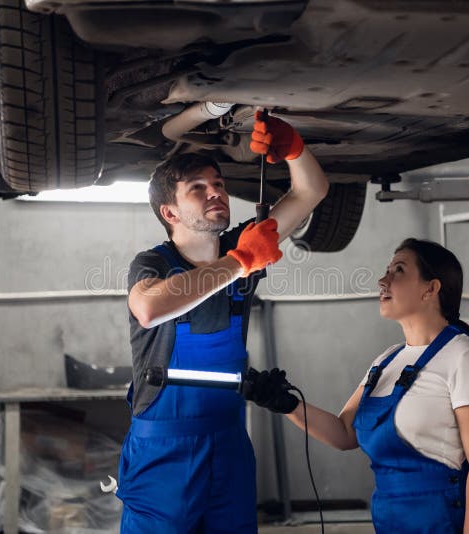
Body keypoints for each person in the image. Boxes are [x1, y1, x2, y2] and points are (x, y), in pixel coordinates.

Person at [117, 111, 330, 533]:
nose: (215, 193)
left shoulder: (241, 244)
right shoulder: (153, 263)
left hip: (228, 438)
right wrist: (240, 262)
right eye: (197, 189)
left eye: (218, 185)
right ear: (170, 212)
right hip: (163, 447)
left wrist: (294, 149)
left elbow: (312, 191)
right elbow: (149, 308)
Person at [246, 238, 469, 534]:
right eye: (387, 270)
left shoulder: (467, 359)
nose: (383, 280)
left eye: (398, 271)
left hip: (446, 522)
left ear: (431, 289)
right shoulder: (386, 361)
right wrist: (287, 405)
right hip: (391, 523)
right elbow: (345, 433)